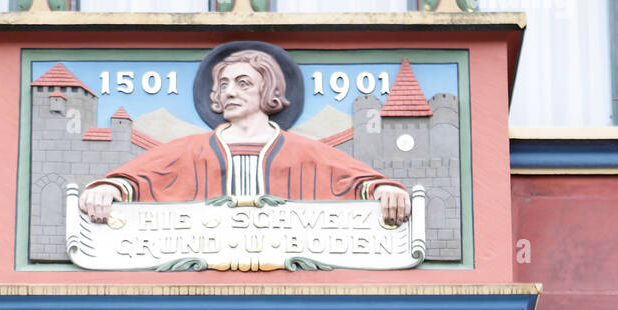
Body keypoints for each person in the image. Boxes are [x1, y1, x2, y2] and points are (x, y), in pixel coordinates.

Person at [79, 48, 411, 227]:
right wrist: (107, 188)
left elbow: (354, 180)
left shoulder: (305, 151)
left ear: (269, 90)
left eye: (243, 83)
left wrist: (385, 190)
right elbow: (138, 176)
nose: (229, 92)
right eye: (223, 84)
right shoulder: (189, 149)